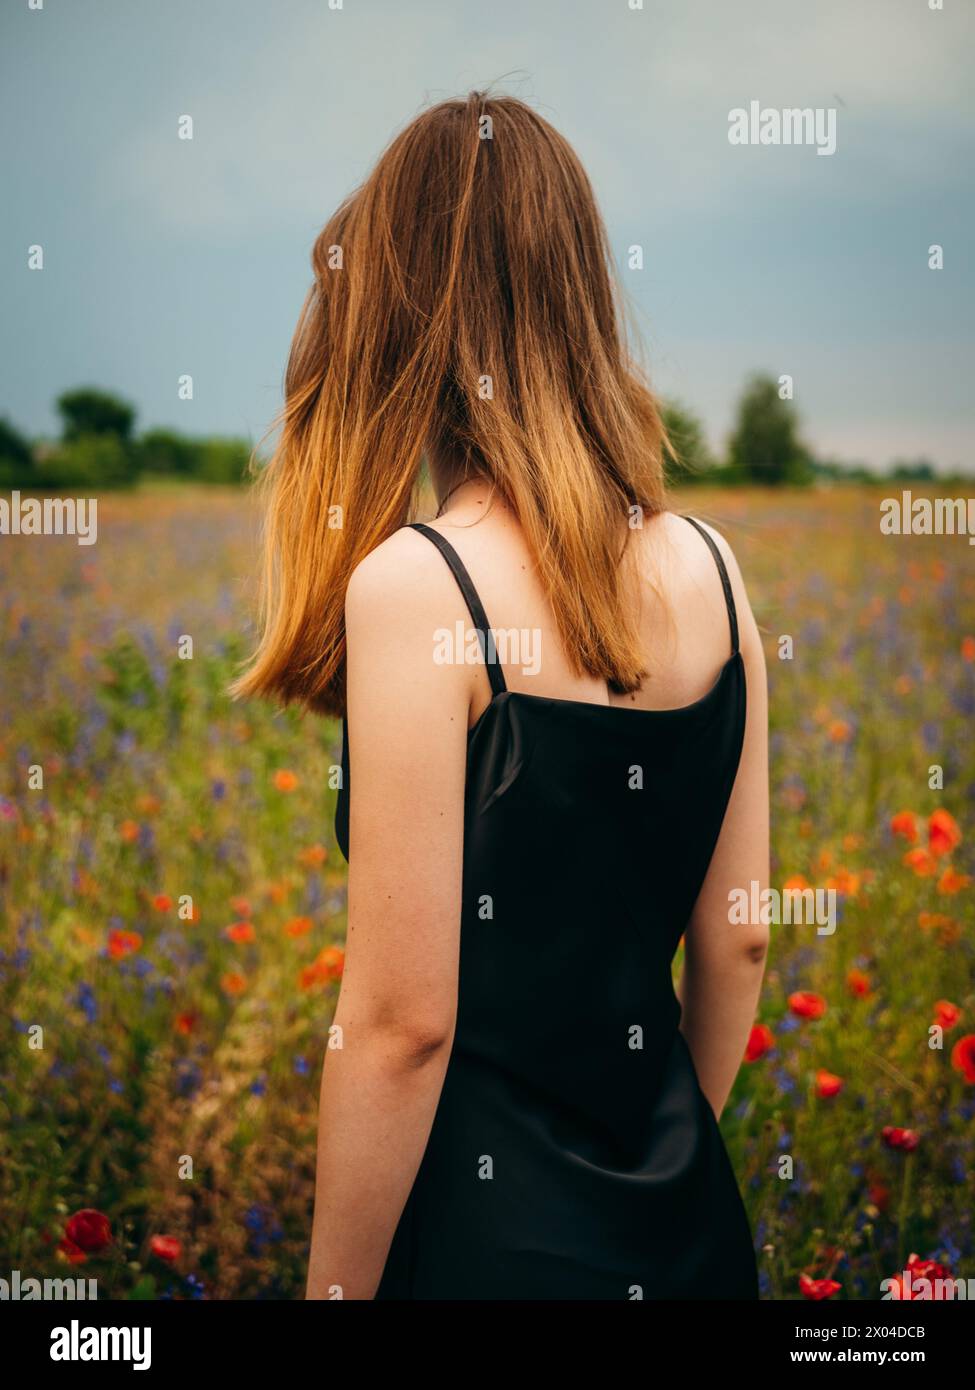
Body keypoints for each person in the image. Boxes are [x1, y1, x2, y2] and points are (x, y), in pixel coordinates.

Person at [234, 92, 769, 1300]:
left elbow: (403, 1024)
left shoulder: (423, 587)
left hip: (486, 1253)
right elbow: (738, 935)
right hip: (688, 1241)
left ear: (403, 306)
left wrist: (332, 1294)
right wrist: (656, 1170)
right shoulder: (720, 573)